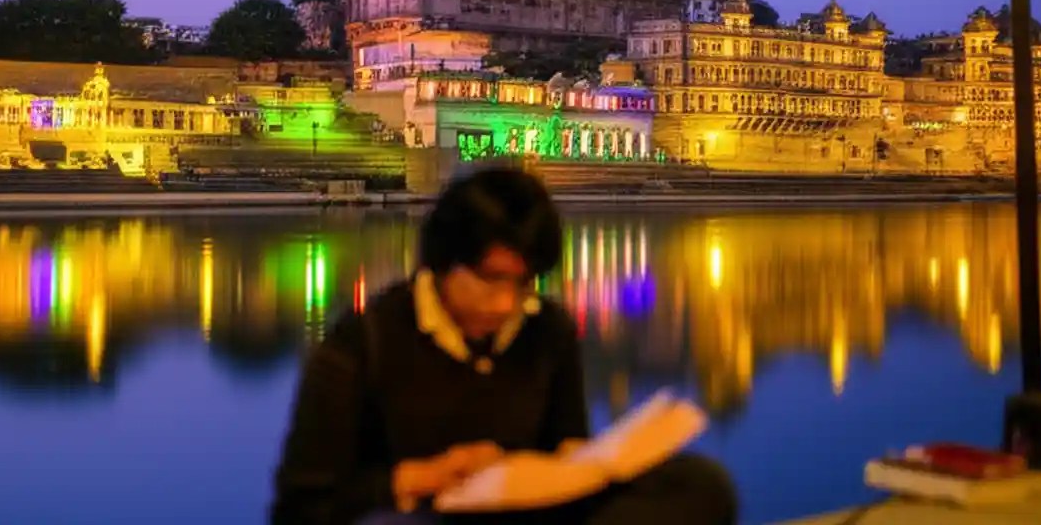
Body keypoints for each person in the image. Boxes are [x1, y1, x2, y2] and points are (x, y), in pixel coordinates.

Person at [270, 167, 737, 524]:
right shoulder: (361, 342)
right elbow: (301, 505)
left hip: (527, 512)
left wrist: (585, 464)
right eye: (491, 280)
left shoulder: (546, 327)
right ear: (445, 260)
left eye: (523, 283)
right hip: (425, 514)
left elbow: (566, 445)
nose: (506, 303)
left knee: (698, 485)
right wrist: (421, 477)